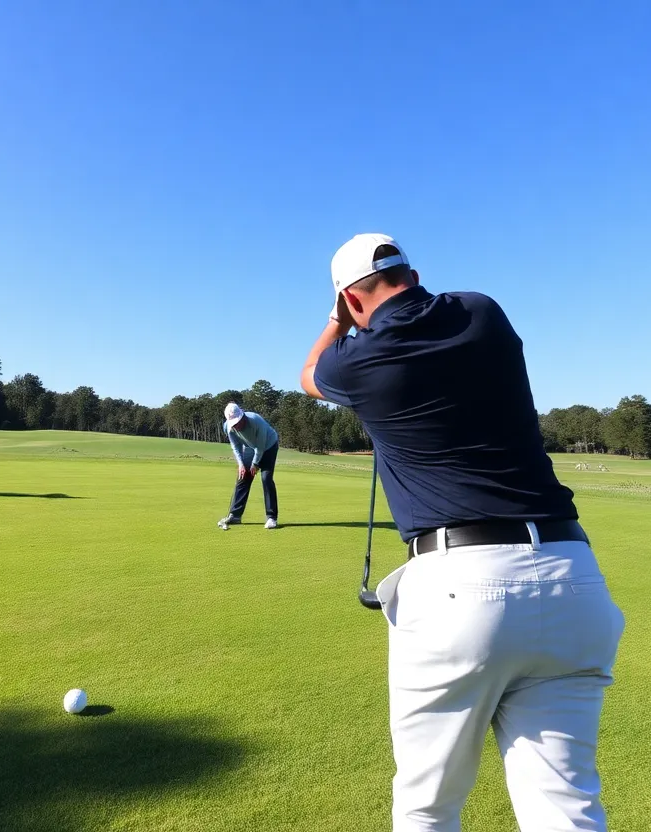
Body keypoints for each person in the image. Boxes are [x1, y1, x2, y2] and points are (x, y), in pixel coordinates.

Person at [300, 233, 625, 831]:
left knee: (429, 807)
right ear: (413, 272)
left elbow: (309, 375)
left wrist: (335, 320)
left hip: (461, 591)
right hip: (572, 578)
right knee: (565, 807)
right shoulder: (482, 311)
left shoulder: (357, 360)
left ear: (349, 298)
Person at [217, 402, 281, 530]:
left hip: (269, 446)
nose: (236, 425)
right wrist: (241, 465)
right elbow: (236, 446)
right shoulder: (228, 428)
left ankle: (271, 517)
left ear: (242, 416)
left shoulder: (256, 421)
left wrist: (255, 464)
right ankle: (235, 515)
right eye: (233, 423)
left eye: (238, 422)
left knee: (266, 478)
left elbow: (260, 447)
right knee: (243, 476)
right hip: (251, 447)